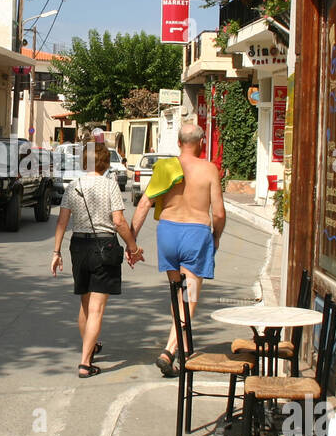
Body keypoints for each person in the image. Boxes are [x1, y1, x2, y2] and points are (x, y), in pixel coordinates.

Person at [130, 123, 225, 376]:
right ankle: (170, 349)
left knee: (177, 293)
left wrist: (132, 242)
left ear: (179, 142)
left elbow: (143, 204)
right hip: (195, 236)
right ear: (202, 142)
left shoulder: (164, 167)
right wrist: (215, 237)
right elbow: (218, 212)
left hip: (168, 234)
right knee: (189, 296)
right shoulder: (209, 169)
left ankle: (181, 346)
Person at [51, 138, 142, 378]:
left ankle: (89, 350)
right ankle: (84, 363)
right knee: (97, 309)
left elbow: (62, 221)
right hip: (104, 245)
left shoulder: (74, 186)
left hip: (79, 246)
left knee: (85, 304)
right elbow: (119, 221)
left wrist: (56, 251)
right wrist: (132, 247)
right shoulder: (109, 184)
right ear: (104, 163)